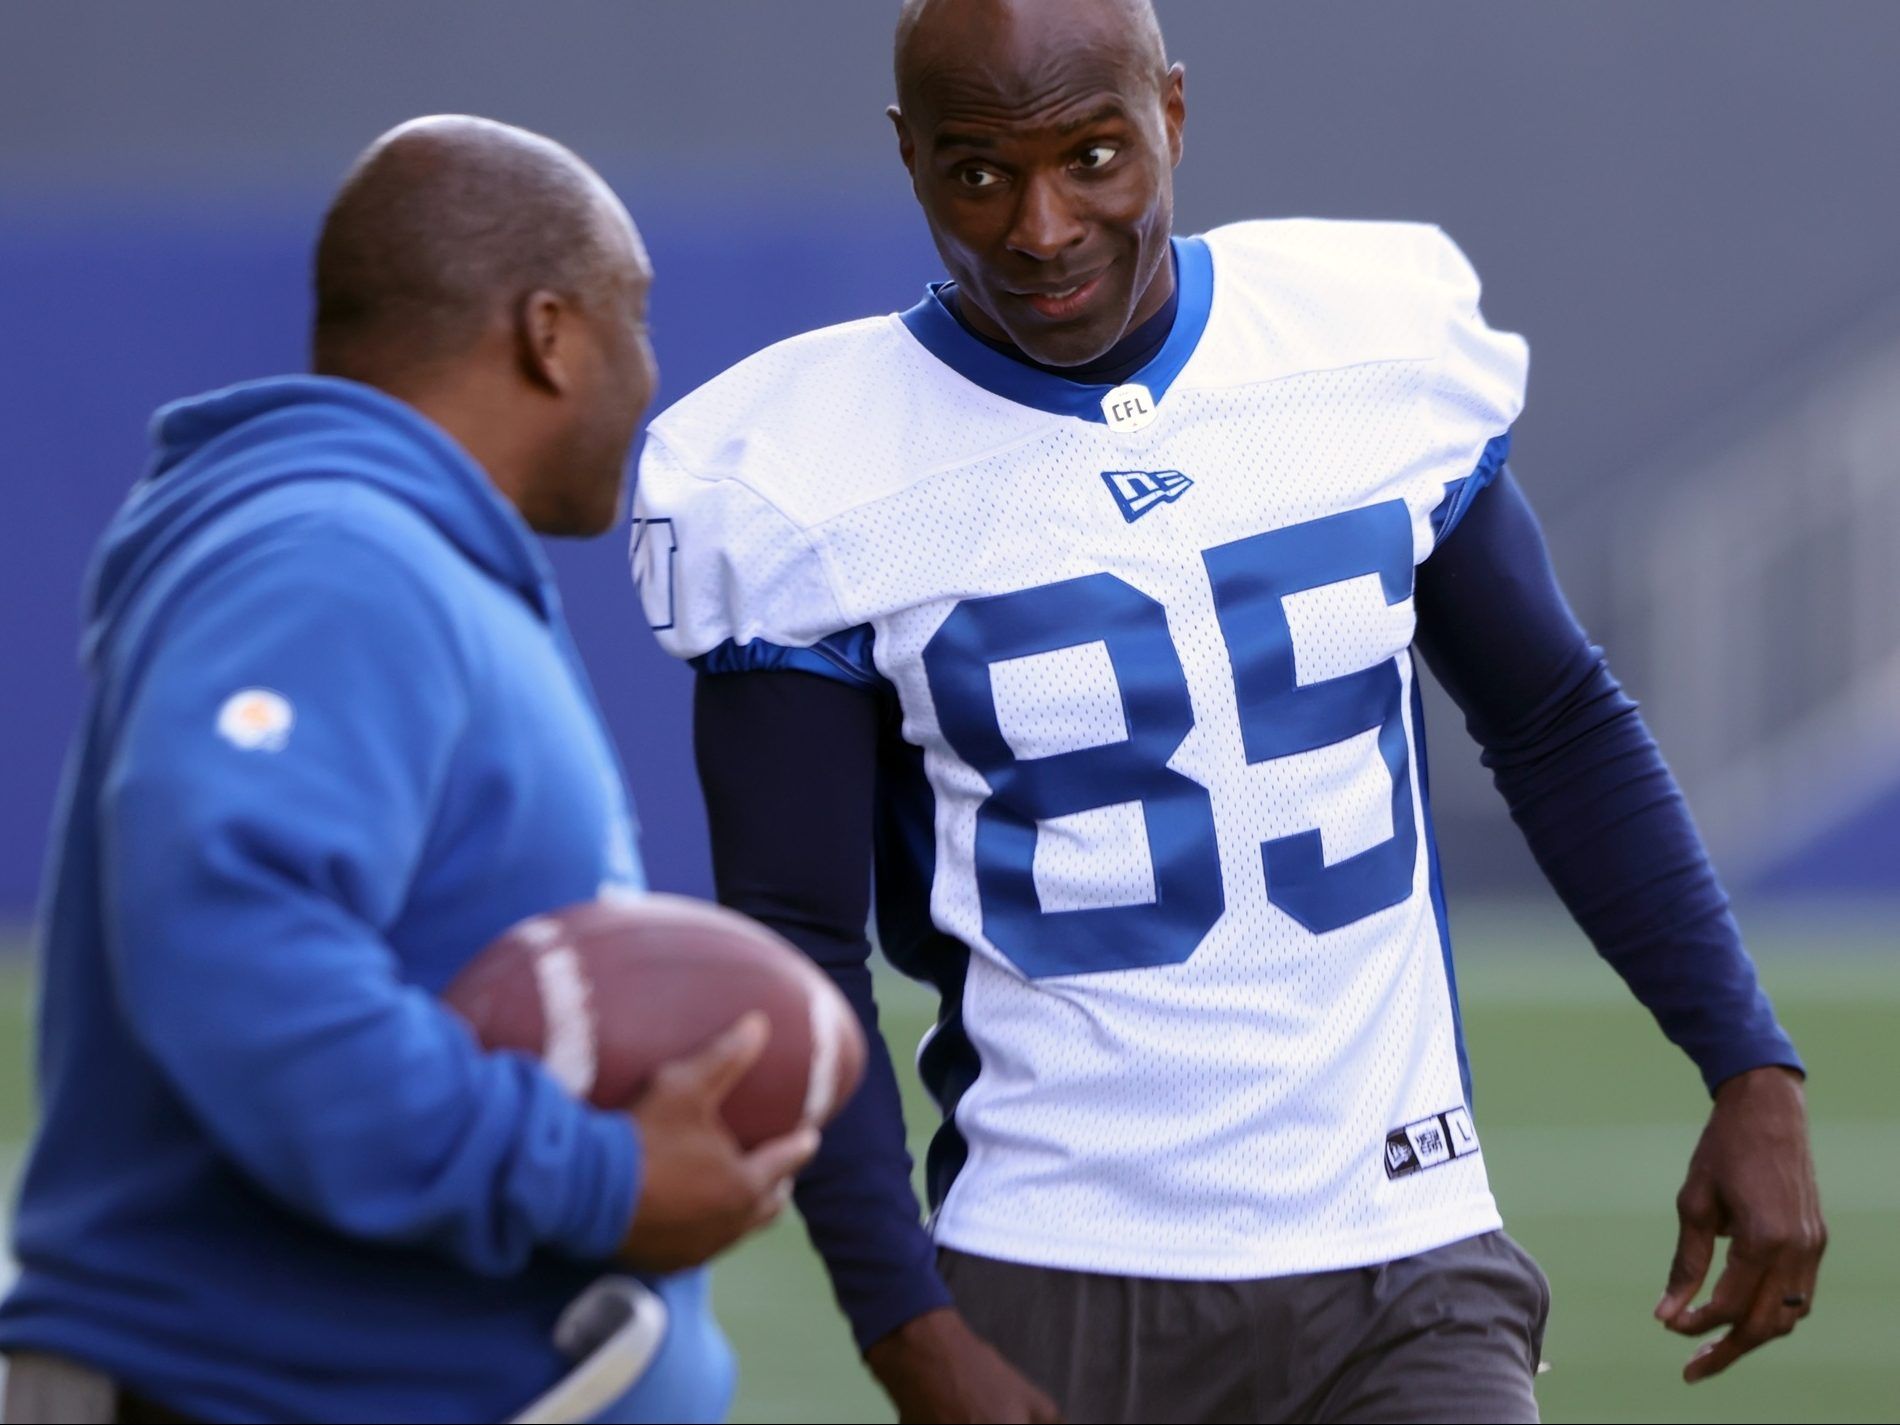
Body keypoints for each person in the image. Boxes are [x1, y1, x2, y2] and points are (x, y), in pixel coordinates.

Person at [632, 2, 1832, 1422]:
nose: (1040, 226)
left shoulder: (1358, 349)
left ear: (1173, 116)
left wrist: (1749, 1061)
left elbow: (1557, 719)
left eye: (1092, 156)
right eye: (978, 173)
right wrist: (906, 1324)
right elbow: (800, 947)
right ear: (908, 157)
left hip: (1406, 1249)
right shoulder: (801, 472)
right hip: (1054, 1270)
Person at [0, 115, 815, 1424]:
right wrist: (596, 1179)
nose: (650, 375)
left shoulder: (395, 556)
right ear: (550, 334)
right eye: (635, 319)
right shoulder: (335, 554)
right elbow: (239, 942)